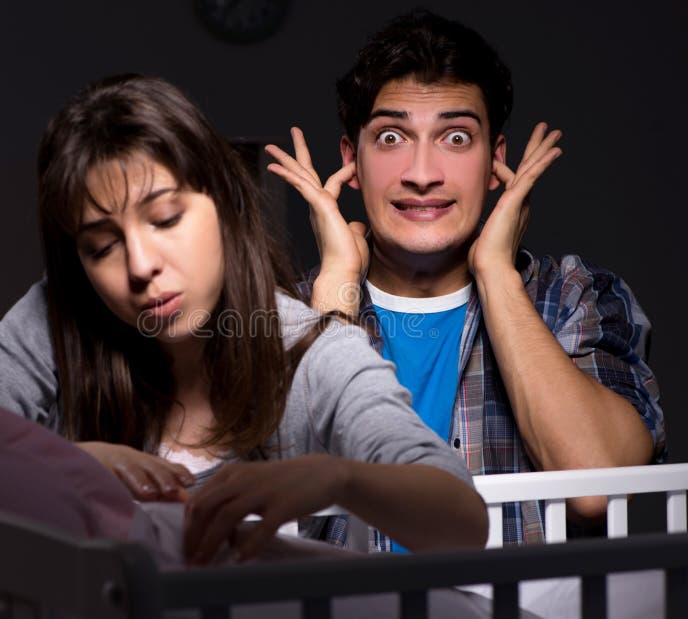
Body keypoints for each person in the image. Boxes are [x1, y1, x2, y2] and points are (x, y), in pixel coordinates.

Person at [0, 74, 488, 566]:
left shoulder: (311, 352)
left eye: (166, 219)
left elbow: (460, 518)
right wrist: (63, 464)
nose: (140, 266)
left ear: (224, 202)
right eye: (102, 246)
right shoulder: (55, 320)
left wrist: (338, 478)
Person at [264, 8, 665, 548]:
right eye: (391, 137)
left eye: (455, 138)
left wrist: (496, 273)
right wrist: (335, 287)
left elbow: (595, 491)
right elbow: (268, 502)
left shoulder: (574, 296)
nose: (422, 175)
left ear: (494, 160)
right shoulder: (287, 313)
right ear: (351, 160)